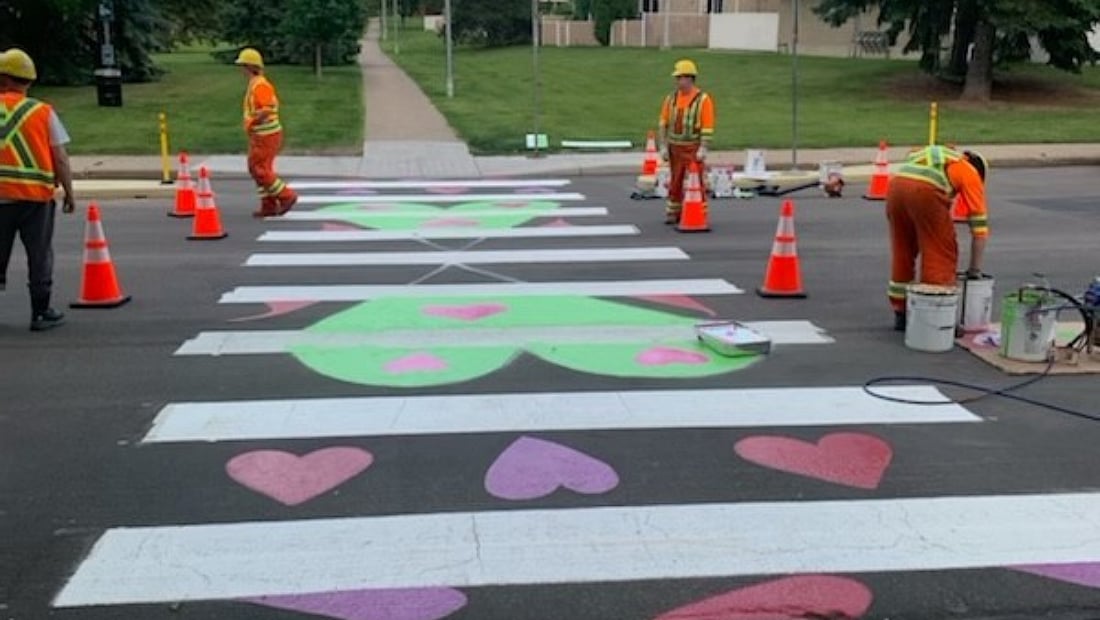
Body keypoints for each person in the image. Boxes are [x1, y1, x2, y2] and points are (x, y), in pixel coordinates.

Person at [0, 48, 74, 332]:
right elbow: (61, 158)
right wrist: (69, 191)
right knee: (39, 254)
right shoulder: (41, 112)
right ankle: (40, 313)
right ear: (26, 81)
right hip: (35, 199)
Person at [886, 145, 989, 331]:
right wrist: (974, 269)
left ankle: (901, 312)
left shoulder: (940, 157)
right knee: (940, 250)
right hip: (925, 192)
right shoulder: (969, 172)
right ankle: (935, 313)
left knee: (903, 249)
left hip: (896, 189)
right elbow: (979, 229)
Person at [235, 48, 297, 218]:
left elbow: (267, 109)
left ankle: (286, 196)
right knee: (260, 169)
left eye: (242, 65)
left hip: (265, 135)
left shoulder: (260, 85)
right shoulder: (256, 83)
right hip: (262, 134)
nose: (240, 70)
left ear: (249, 66)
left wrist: (253, 121)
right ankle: (268, 204)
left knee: (258, 169)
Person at [657, 59, 715, 226]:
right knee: (675, 180)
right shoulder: (671, 99)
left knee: (696, 181)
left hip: (693, 147)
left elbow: (707, 126)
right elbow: (663, 123)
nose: (677, 81)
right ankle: (674, 212)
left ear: (689, 78)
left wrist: (703, 147)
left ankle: (698, 212)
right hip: (675, 147)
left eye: (679, 77)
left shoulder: (702, 100)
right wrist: (663, 146)